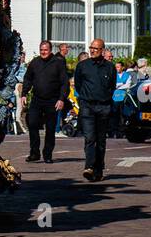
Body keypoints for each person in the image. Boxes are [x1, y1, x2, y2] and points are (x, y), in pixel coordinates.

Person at [74, 38, 116, 181]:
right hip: (87, 106)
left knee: (101, 140)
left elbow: (112, 86)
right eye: (91, 47)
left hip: (103, 106)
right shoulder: (83, 66)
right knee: (90, 137)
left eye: (96, 48)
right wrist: (85, 97)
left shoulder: (110, 67)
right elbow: (78, 84)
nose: (92, 50)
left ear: (102, 50)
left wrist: (105, 99)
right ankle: (89, 166)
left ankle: (98, 169)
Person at [21, 40, 69, 164]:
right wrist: (24, 94)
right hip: (37, 99)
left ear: (50, 50)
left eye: (46, 50)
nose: (43, 52)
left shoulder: (58, 63)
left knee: (50, 128)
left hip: (53, 100)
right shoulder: (35, 62)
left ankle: (47, 154)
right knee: (32, 123)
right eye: (41, 50)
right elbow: (28, 78)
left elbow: (64, 82)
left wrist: (61, 99)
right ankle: (34, 153)